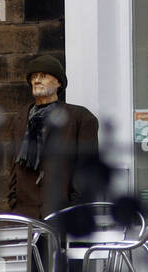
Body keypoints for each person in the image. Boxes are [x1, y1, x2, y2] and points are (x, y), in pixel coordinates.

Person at [7, 54, 100, 221]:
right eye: (33, 77)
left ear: (59, 83)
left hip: (64, 213)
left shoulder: (80, 118)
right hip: (26, 213)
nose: (37, 80)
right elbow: (13, 164)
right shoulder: (20, 119)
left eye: (43, 76)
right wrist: (13, 200)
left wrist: (74, 205)